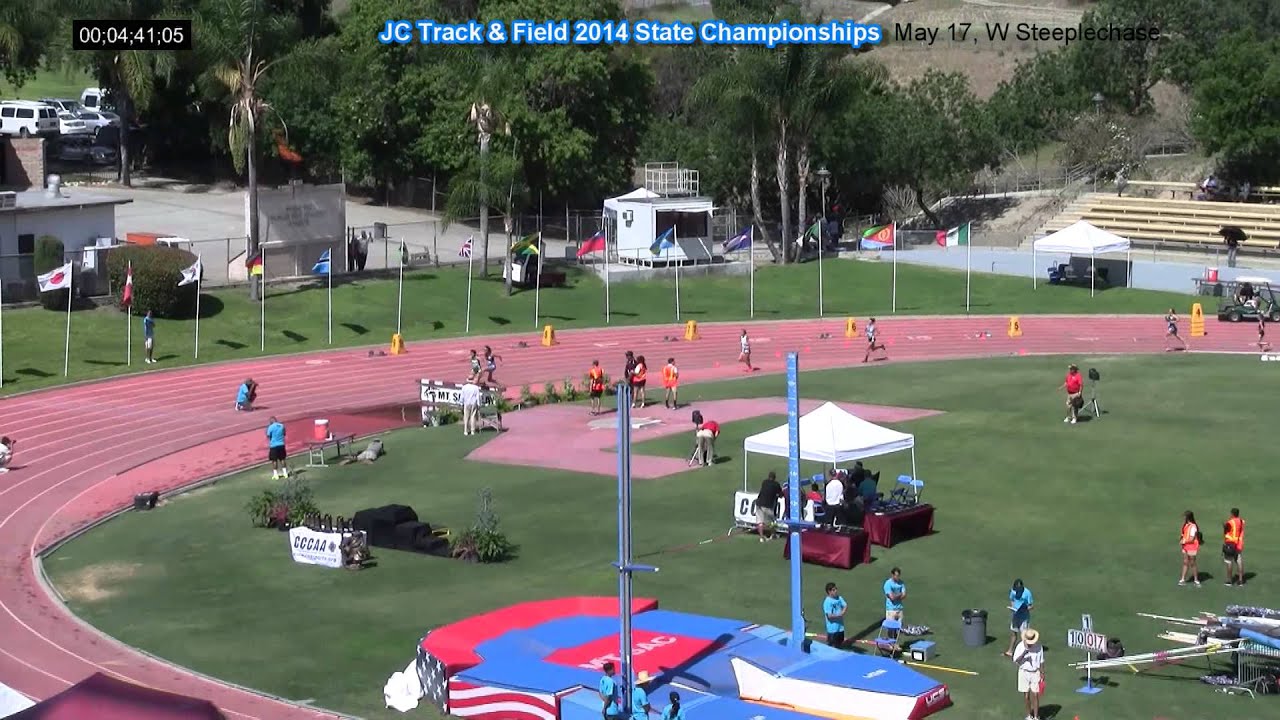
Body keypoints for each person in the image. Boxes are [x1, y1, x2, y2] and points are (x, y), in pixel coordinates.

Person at [1012, 627, 1044, 720]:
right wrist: (1024, 654)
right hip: (1023, 672)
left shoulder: (1039, 647)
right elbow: (1015, 660)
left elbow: (1041, 661)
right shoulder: (1020, 646)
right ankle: (1029, 716)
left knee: (1035, 694)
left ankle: (1036, 717)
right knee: (1026, 696)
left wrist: (1042, 673)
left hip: (1035, 672)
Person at [1005, 579, 1035, 656]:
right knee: (1013, 633)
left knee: (1024, 635)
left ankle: (1027, 653)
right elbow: (1012, 599)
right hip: (1015, 615)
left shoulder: (1027, 593)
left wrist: (1024, 609)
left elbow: (1031, 606)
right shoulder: (1013, 591)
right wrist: (1012, 607)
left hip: (1024, 617)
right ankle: (1010, 651)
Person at [756, 471, 783, 543]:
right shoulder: (776, 484)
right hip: (767, 505)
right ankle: (773, 534)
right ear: (774, 478)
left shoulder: (764, 482)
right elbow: (781, 494)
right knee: (773, 521)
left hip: (759, 503)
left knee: (760, 522)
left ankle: (761, 537)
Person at [1179, 510, 1202, 587]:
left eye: (1185, 516)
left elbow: (1192, 539)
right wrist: (1182, 540)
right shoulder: (1186, 525)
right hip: (1185, 547)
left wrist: (1183, 541)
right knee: (1185, 562)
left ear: (1188, 517)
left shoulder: (1193, 527)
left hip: (1191, 547)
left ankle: (1196, 579)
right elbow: (1184, 534)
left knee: (1192, 563)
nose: (1184, 518)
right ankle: (1182, 579)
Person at [1224, 508, 1245, 586]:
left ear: (1232, 514)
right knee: (1239, 561)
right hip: (1238, 544)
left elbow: (1226, 530)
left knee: (1229, 562)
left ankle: (1229, 581)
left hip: (1230, 544)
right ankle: (1240, 580)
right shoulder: (1242, 521)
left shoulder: (1230, 522)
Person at [822, 582, 847, 648]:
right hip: (832, 630)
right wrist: (839, 615)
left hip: (840, 628)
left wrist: (843, 612)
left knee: (840, 645)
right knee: (832, 648)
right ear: (829, 591)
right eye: (833, 590)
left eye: (836, 589)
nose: (836, 591)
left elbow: (845, 605)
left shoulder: (839, 598)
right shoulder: (827, 602)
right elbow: (829, 616)